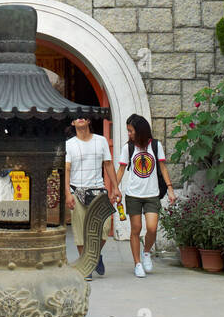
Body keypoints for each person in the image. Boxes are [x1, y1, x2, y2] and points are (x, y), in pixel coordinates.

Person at [116, 114, 175, 278]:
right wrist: (115, 189)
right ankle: (137, 264)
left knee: (152, 227)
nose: (129, 134)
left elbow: (163, 168)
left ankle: (147, 252)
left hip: (152, 194)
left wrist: (170, 188)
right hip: (133, 194)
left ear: (140, 131)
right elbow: (121, 170)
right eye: (128, 131)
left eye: (131, 131)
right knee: (136, 229)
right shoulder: (128, 148)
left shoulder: (155, 145)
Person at [65, 115, 121, 277]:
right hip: (77, 190)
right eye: (76, 117)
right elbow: (66, 169)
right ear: (72, 122)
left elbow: (108, 164)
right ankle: (86, 264)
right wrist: (68, 193)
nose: (80, 119)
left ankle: (94, 256)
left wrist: (116, 187)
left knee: (104, 228)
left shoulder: (101, 140)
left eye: (83, 117)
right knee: (80, 230)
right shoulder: (69, 144)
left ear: (89, 121)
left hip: (98, 190)